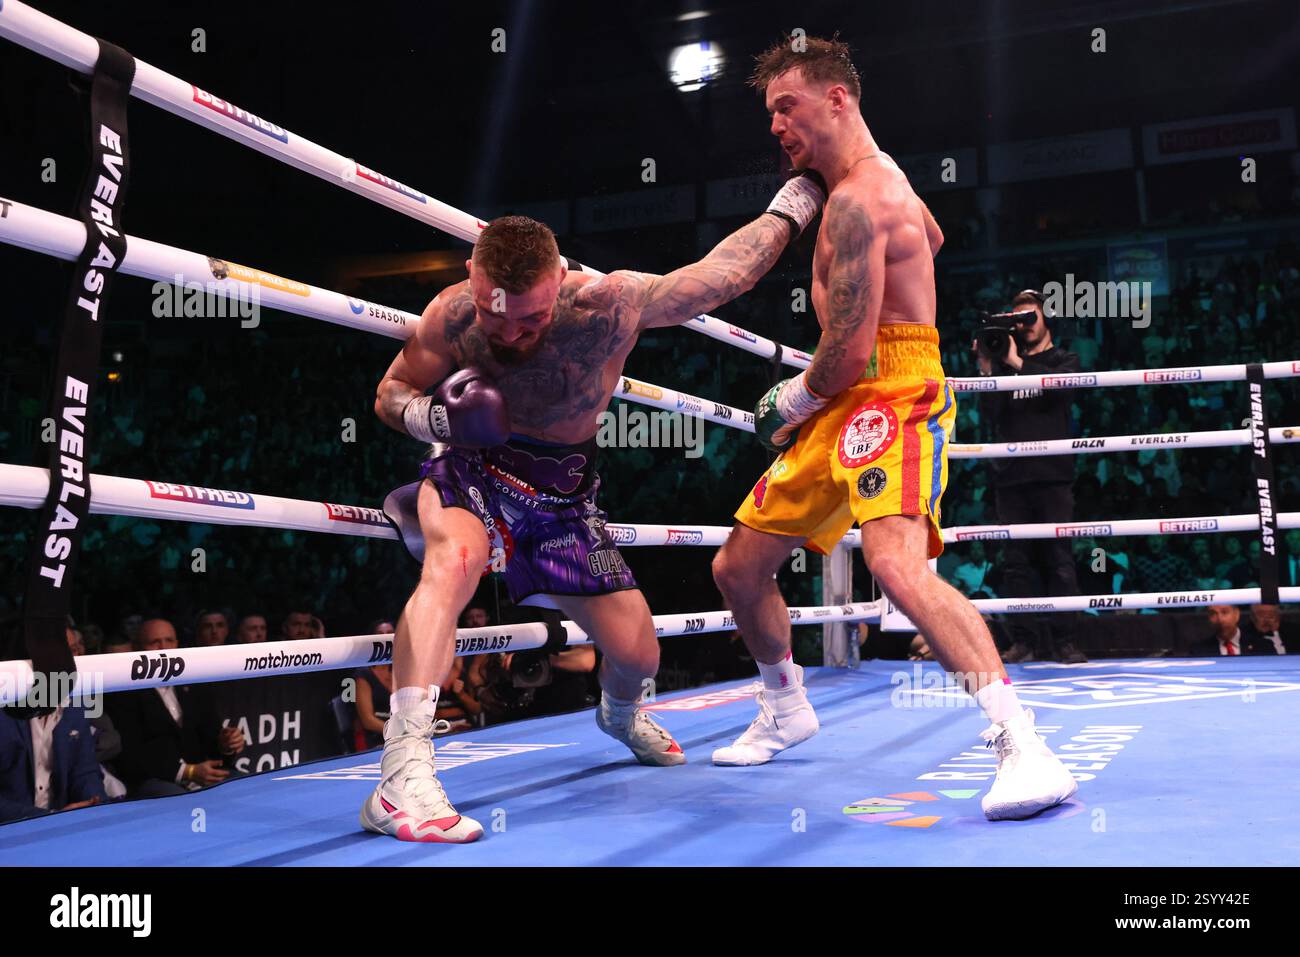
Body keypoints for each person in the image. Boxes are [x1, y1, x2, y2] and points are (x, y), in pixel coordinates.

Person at [366, 188, 819, 842]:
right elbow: (389, 393)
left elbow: (722, 278)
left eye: (532, 319)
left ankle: (618, 713)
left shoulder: (607, 305)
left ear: (560, 281)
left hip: (562, 497)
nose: (515, 334)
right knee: (454, 560)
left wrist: (796, 199)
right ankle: (400, 771)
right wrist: (434, 416)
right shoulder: (454, 315)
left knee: (638, 651)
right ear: (473, 276)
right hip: (473, 466)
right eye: (502, 320)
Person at [710, 35, 1076, 822]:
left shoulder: (856, 199)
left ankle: (1024, 742)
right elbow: (932, 239)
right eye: (770, 111)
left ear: (837, 99)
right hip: (853, 385)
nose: (775, 125)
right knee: (739, 567)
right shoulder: (875, 182)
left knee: (897, 565)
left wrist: (791, 402)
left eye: (787, 106)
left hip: (889, 387)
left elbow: (842, 350)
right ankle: (785, 705)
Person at [974, 289, 1087, 664]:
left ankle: (1066, 641)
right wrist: (988, 368)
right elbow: (989, 416)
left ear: (1045, 318)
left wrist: (1015, 361)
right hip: (1011, 477)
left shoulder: (1065, 359)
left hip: (1053, 475)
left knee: (1059, 558)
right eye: (1017, 319)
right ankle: (1024, 640)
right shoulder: (1004, 367)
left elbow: (1060, 393)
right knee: (1016, 562)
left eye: (1030, 317)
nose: (1024, 325)